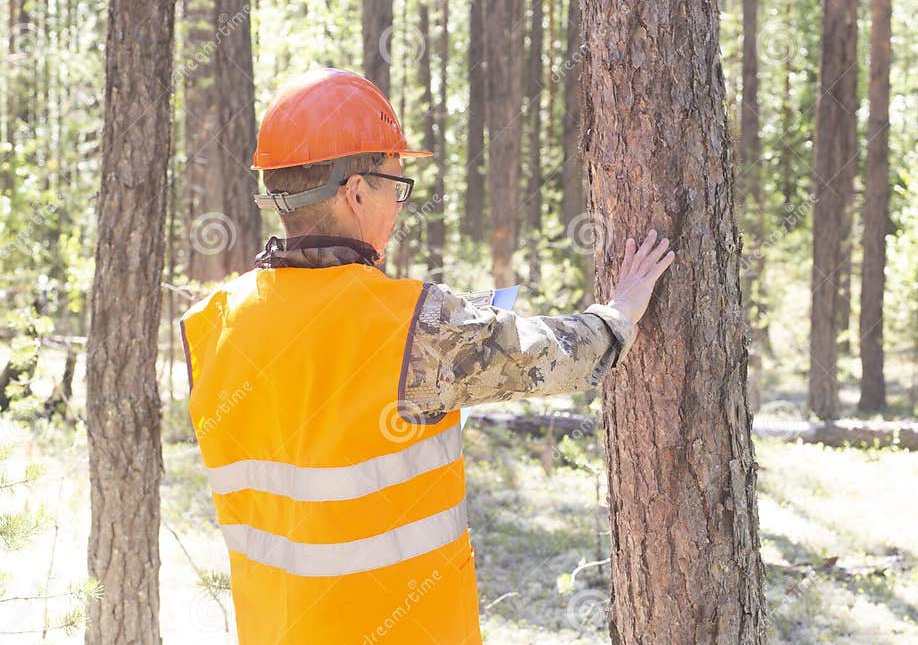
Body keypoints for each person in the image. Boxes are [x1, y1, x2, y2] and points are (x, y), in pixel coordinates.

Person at [180, 68, 675, 644]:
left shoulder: (212, 321)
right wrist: (620, 312)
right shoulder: (413, 325)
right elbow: (556, 356)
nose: (398, 203)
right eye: (396, 185)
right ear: (355, 191)